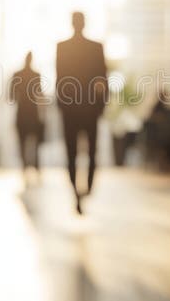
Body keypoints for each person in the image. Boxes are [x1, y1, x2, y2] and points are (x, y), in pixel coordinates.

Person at [56, 12, 107, 214]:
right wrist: (101, 105)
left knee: (75, 153)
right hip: (85, 109)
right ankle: (83, 190)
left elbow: (60, 80)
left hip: (75, 110)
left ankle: (79, 191)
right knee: (87, 152)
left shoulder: (64, 47)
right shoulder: (95, 48)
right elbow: (102, 79)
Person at [9, 51, 44, 177]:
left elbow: (11, 96)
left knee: (23, 142)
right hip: (32, 112)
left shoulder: (17, 75)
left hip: (22, 112)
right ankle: (35, 167)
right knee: (34, 142)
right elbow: (39, 93)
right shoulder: (35, 75)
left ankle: (26, 167)